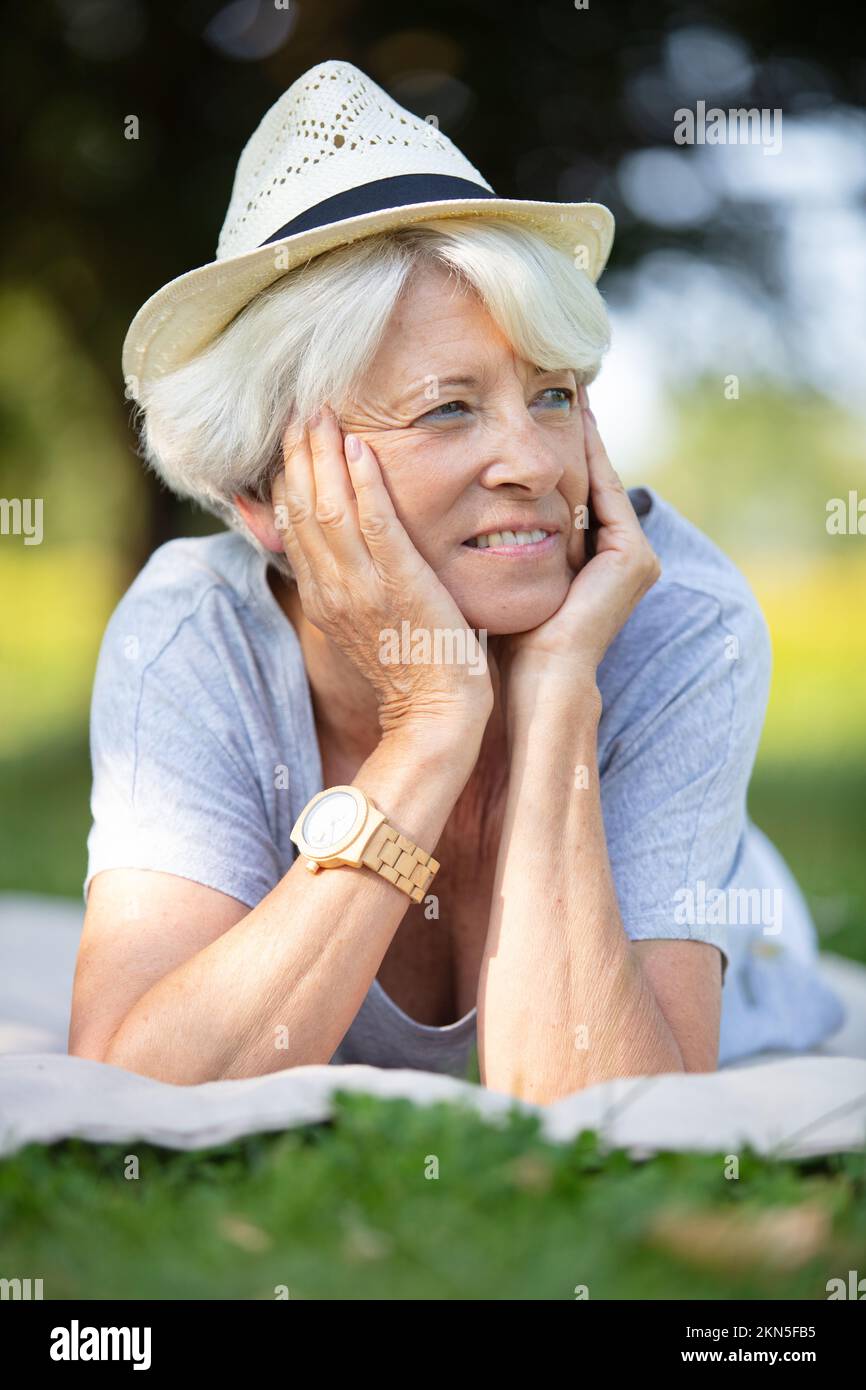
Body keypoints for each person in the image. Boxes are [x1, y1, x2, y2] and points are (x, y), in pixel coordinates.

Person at [68, 60, 845, 1100]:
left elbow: (592, 1104)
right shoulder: (188, 634)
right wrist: (430, 724)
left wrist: (559, 689)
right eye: (447, 408)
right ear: (264, 496)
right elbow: (132, 1086)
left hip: (751, 971)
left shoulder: (679, 622)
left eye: (552, 394)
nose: (532, 461)